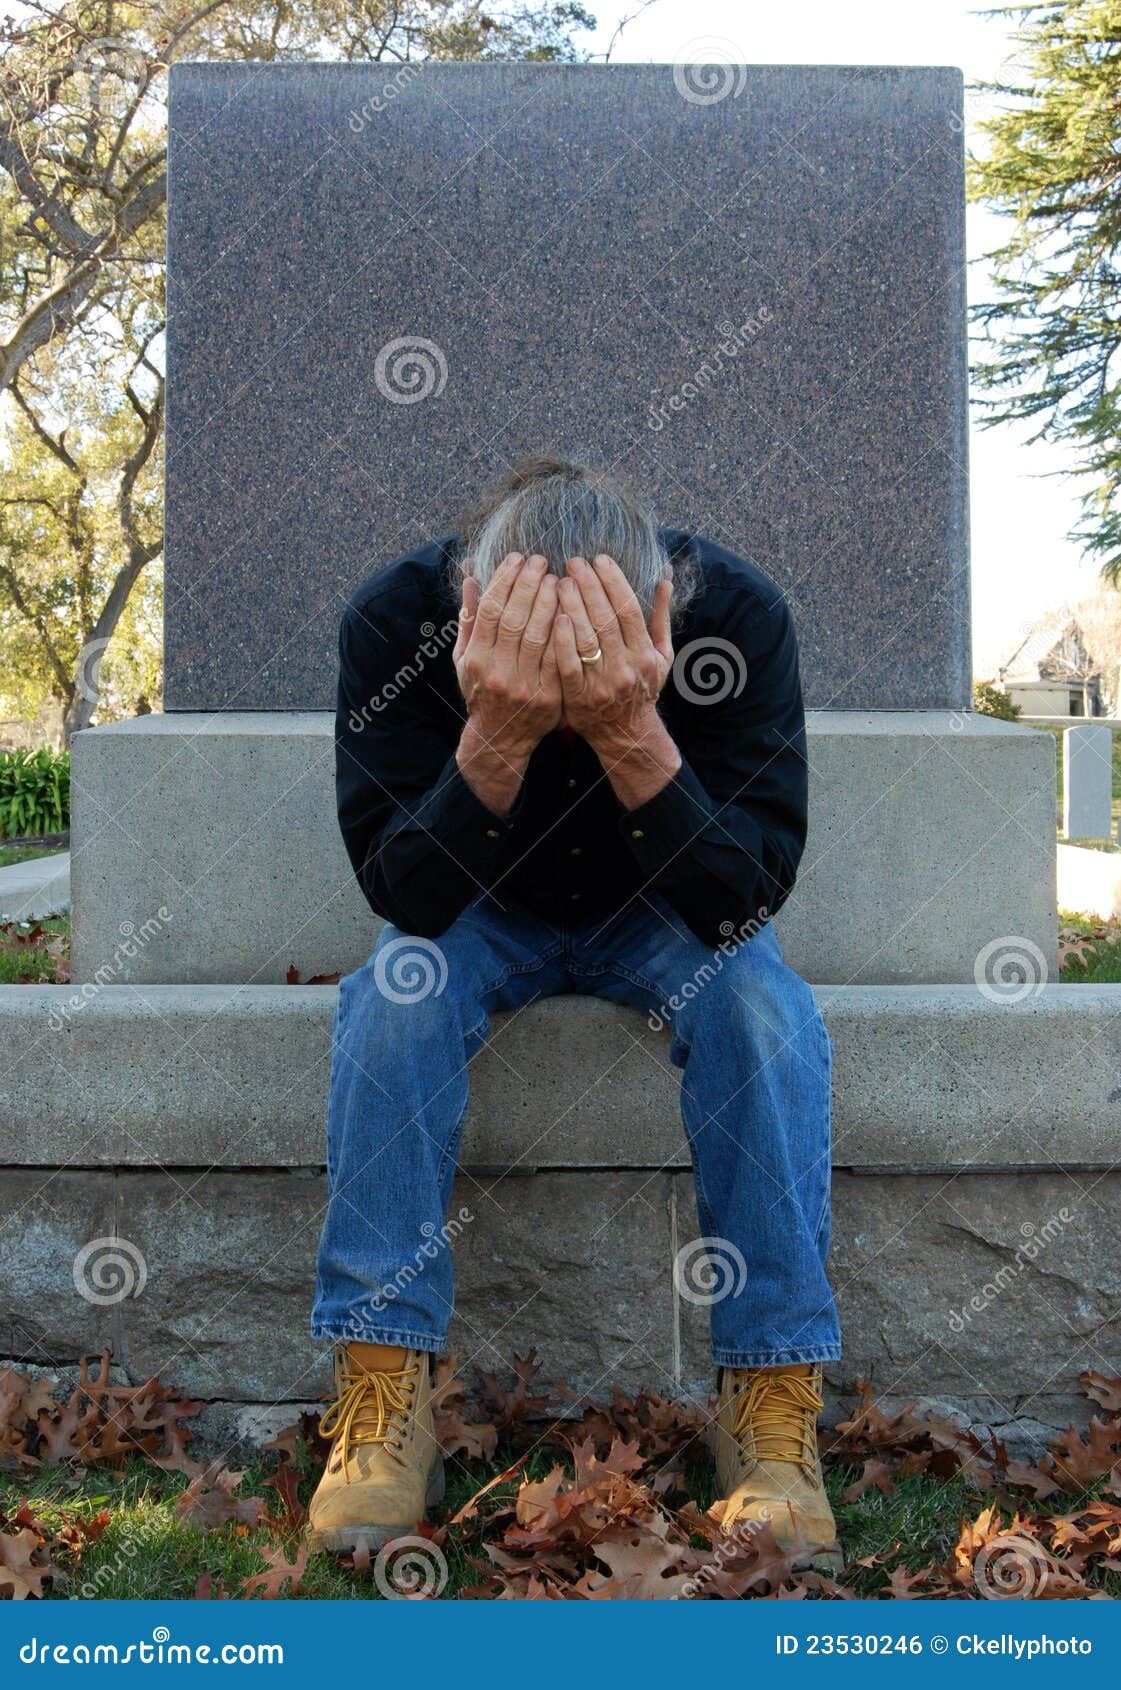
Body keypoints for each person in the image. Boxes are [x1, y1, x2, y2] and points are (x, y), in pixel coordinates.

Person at [306, 457, 841, 1568]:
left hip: (668, 911)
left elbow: (741, 899)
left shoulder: (733, 618)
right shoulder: (395, 623)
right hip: (477, 907)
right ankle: (379, 1389)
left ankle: (772, 1407)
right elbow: (406, 895)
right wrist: (494, 730)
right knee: (390, 1003)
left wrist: (630, 729)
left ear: (660, 605)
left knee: (761, 1011)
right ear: (469, 600)